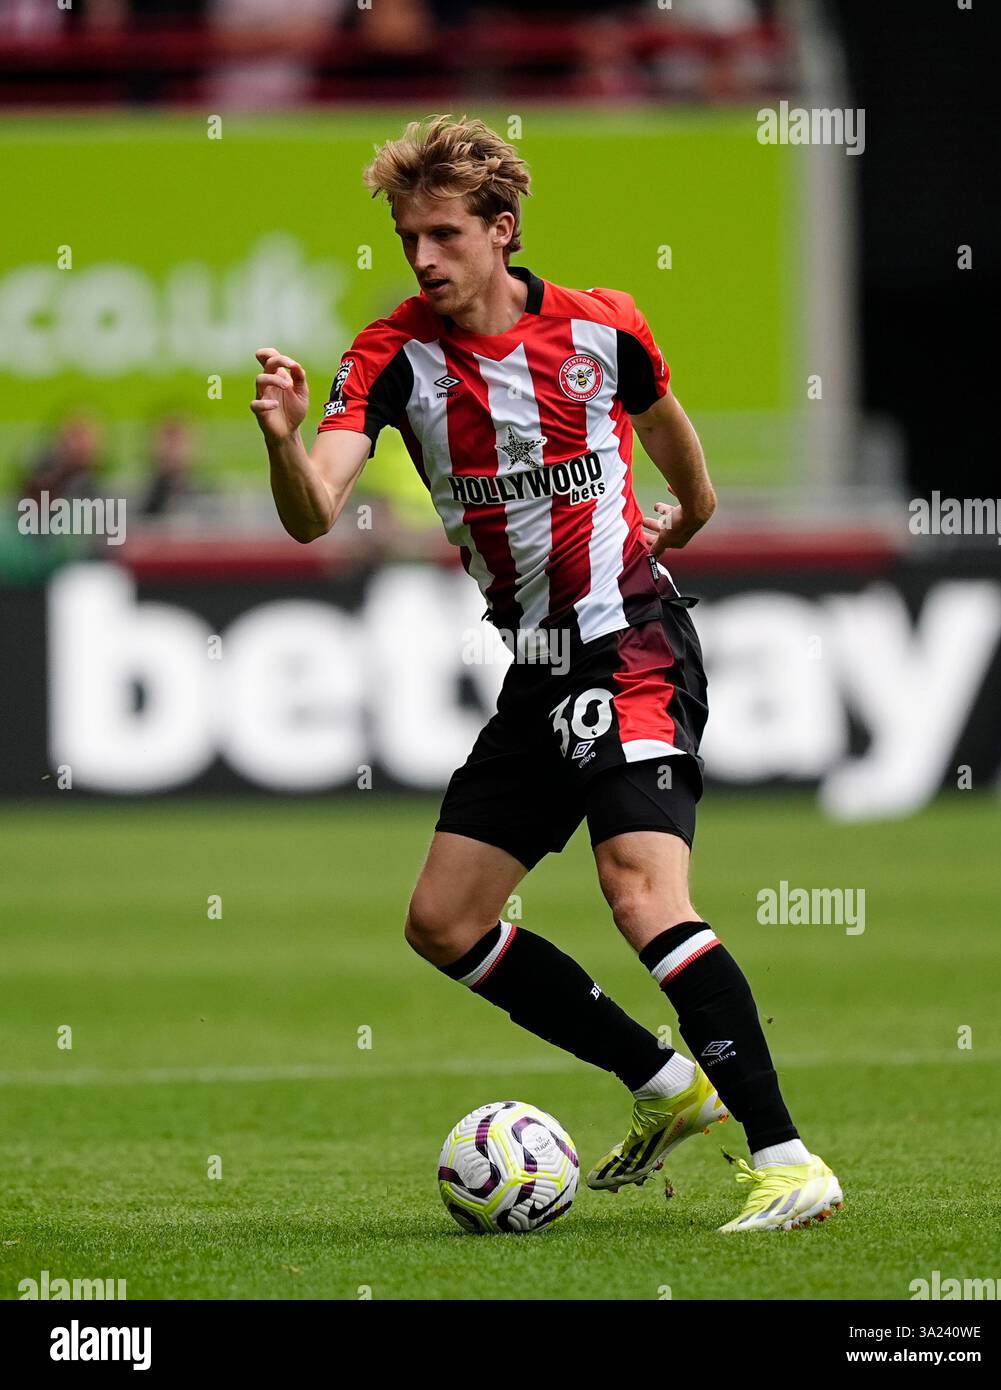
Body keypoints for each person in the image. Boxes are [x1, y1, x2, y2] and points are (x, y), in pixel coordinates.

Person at [250, 115, 842, 1232]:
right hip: (536, 671)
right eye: (404, 236)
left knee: (639, 891)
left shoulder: (602, 328)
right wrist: (285, 440)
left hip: (632, 645)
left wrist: (693, 515)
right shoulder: (387, 358)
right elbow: (311, 512)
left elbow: (670, 434)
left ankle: (788, 1159)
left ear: (499, 230)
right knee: (443, 920)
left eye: (440, 234)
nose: (420, 257)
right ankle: (667, 1085)